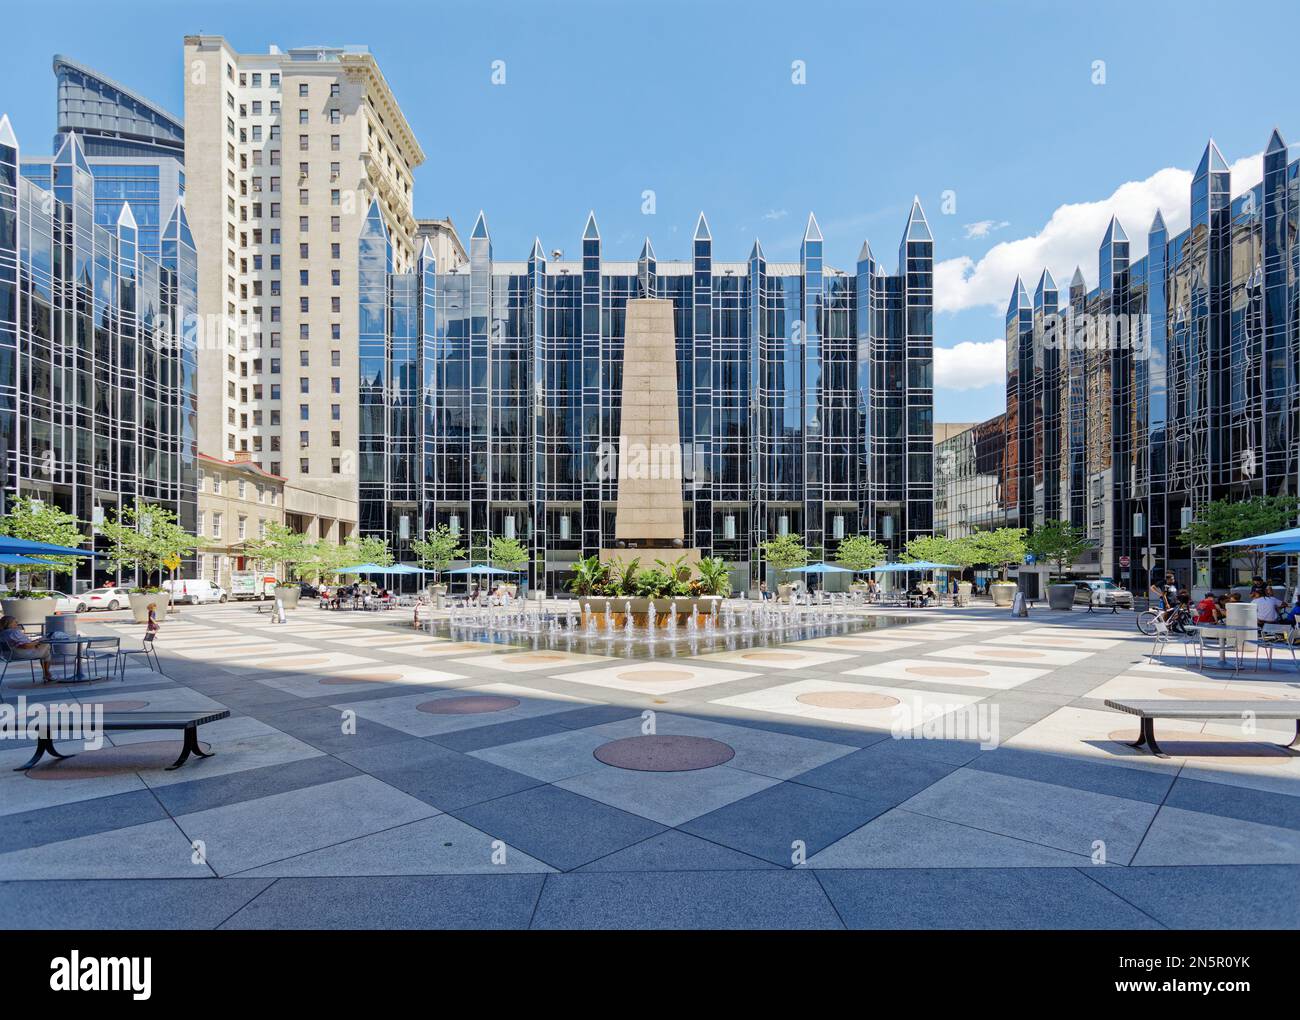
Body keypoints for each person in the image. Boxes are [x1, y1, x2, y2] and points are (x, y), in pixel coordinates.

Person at [0, 615, 53, 682]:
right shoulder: (14, 632)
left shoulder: (2, 633)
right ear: (9, 623)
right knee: (47, 646)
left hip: (8, 655)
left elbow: (22, 644)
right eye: (15, 622)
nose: (17, 623)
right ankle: (46, 673)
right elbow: (24, 646)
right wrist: (38, 642)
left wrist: (35, 642)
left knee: (45, 650)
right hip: (20, 654)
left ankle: (46, 673)